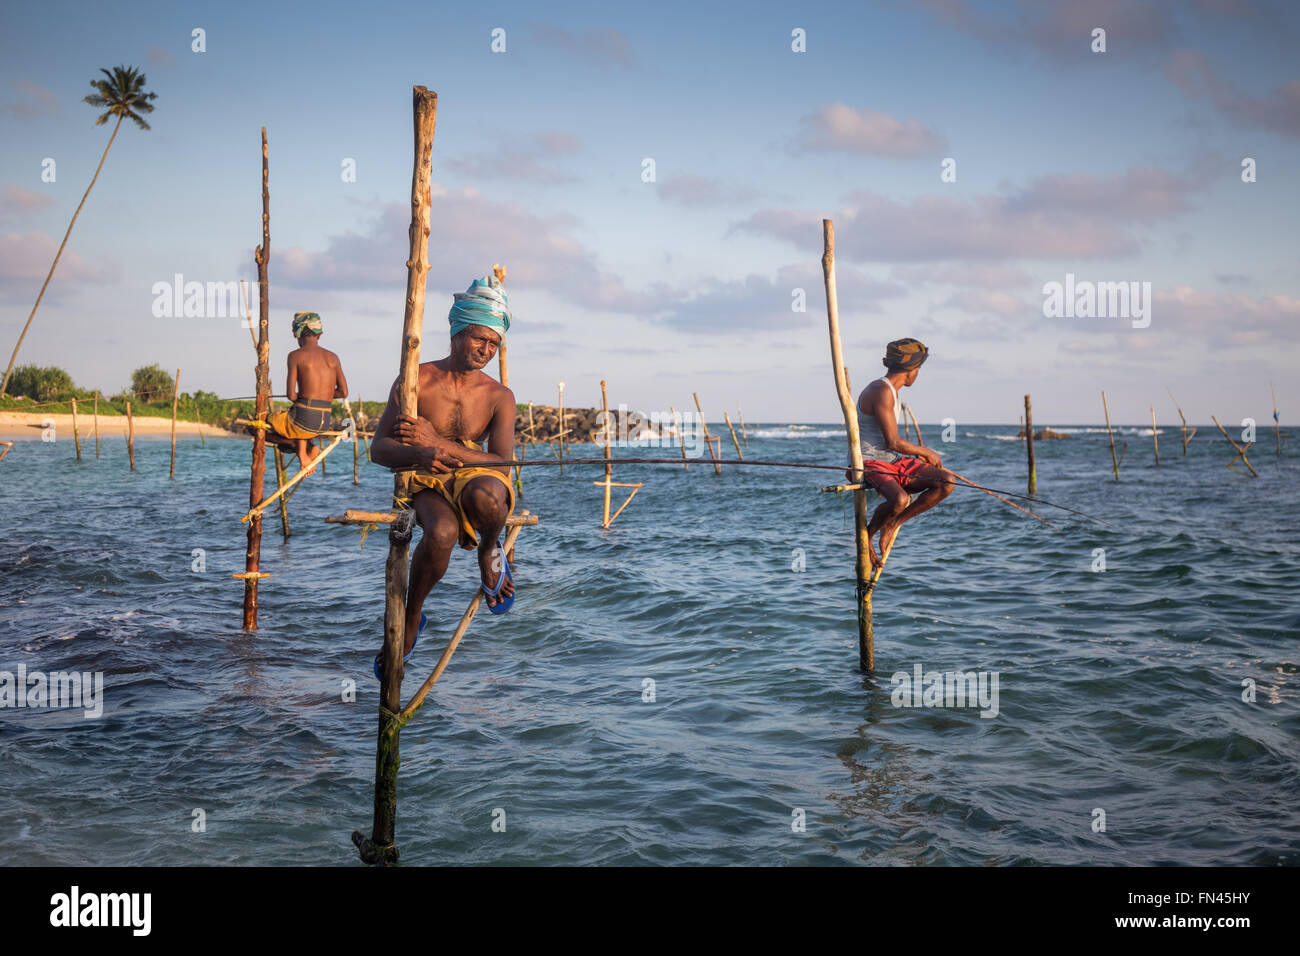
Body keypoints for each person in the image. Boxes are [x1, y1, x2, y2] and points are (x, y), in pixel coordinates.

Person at [369, 275, 517, 676]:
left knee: (489, 496)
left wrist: (443, 444)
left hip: (477, 476)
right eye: (479, 339)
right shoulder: (416, 382)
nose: (486, 350)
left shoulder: (499, 396)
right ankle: (414, 613)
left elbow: (503, 462)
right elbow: (378, 449)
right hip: (427, 481)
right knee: (441, 534)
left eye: (494, 343)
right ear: (457, 332)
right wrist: (421, 452)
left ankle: (489, 548)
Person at [853, 337, 955, 567]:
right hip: (870, 461)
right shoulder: (880, 390)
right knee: (899, 499)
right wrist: (925, 451)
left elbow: (893, 447)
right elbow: (892, 441)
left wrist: (916, 454)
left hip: (892, 460)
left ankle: (893, 523)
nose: (918, 373)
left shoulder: (889, 391)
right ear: (910, 369)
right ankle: (868, 536)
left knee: (947, 482)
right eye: (918, 368)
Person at [265, 312, 348, 473]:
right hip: (324, 422)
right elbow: (343, 392)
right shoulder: (333, 357)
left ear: (297, 333)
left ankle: (302, 452)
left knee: (258, 427)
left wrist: (305, 397)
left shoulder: (295, 356)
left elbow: (291, 395)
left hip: (304, 420)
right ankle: (307, 448)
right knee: (299, 422)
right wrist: (321, 396)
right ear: (319, 335)